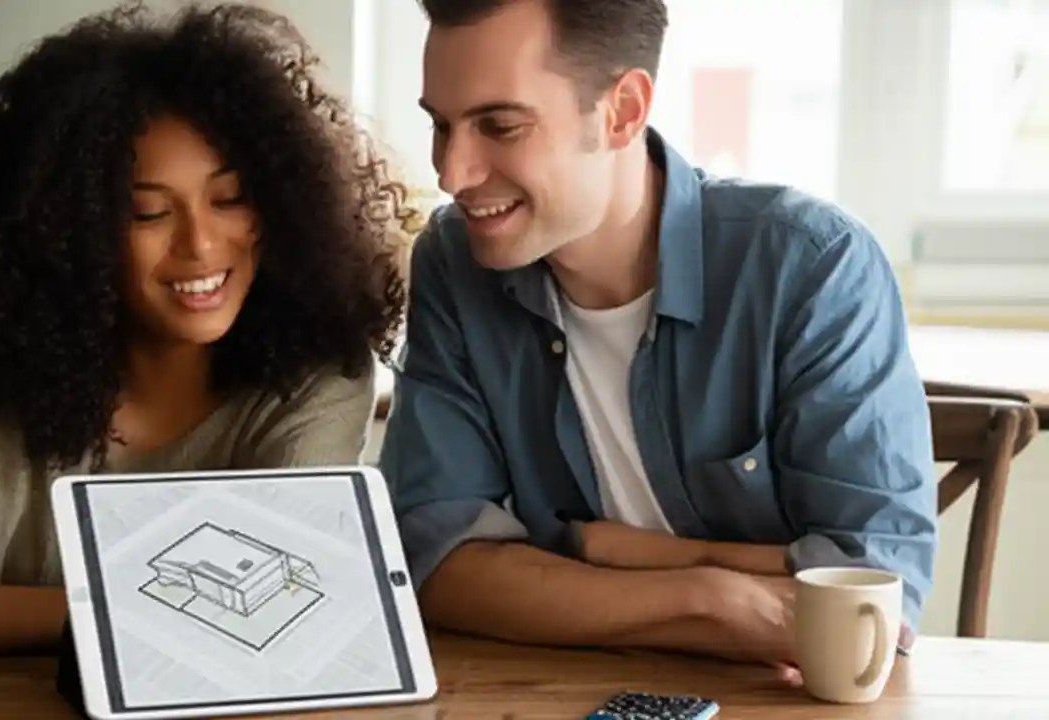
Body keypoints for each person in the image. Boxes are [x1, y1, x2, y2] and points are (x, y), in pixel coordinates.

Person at [0, 3, 411, 660]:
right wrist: (96, 611)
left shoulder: (316, 382)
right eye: (148, 213)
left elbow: (286, 609)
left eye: (230, 199)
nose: (200, 243)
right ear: (68, 234)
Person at [381, 0, 936, 675]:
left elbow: (873, 595)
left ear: (622, 111)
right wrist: (710, 598)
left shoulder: (810, 264)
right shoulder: (455, 262)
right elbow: (432, 561)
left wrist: (599, 554)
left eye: (500, 126)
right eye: (440, 125)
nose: (452, 173)